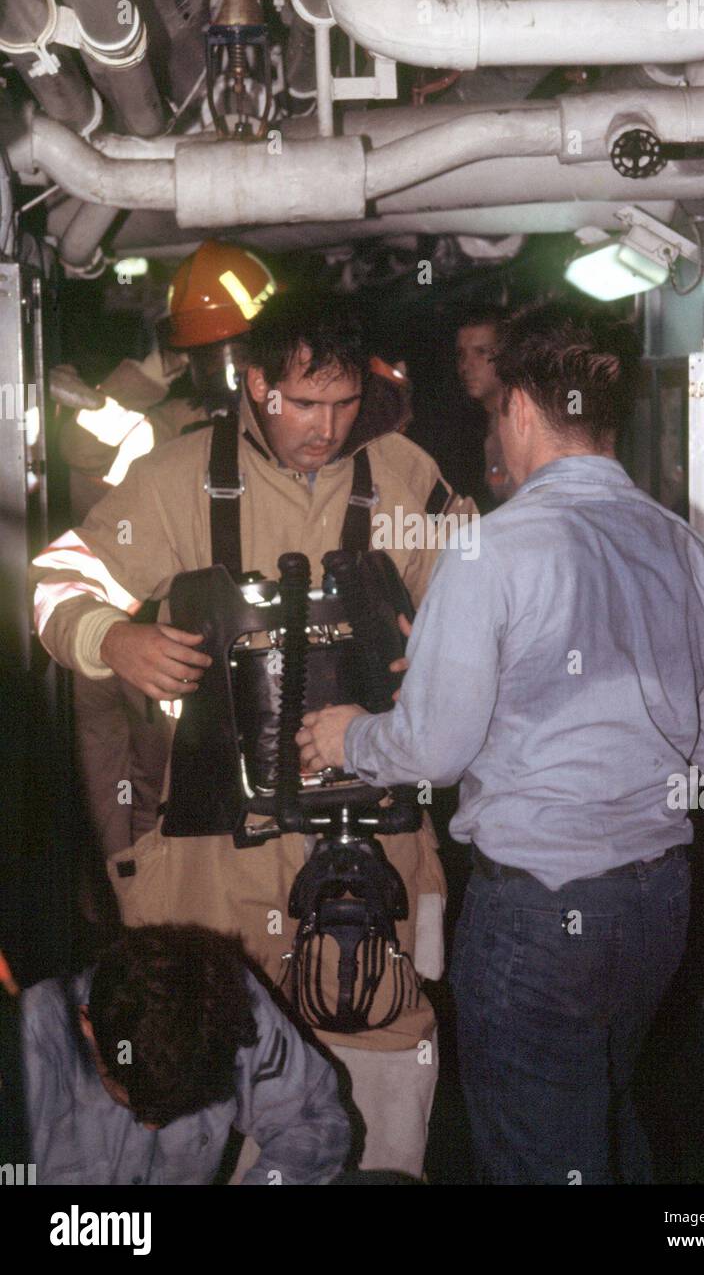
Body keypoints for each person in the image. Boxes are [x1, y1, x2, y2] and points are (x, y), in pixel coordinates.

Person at [297, 301, 704, 1185]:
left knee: (544, 1147)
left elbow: (432, 751)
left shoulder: (489, 554)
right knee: (609, 1109)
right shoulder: (694, 555)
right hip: (659, 905)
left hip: (540, 921)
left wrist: (351, 735)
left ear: (515, 408)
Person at [30, 289, 471, 1178]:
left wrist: (442, 649)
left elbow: (485, 609)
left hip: (373, 856)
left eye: (345, 403)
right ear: (254, 382)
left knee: (382, 1077)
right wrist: (111, 636)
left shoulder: (407, 474)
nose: (325, 426)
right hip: (212, 864)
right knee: (199, 1071)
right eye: (303, 403)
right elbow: (50, 583)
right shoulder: (174, 477)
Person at [51, 240, 277, 862]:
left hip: (236, 659)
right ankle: (133, 910)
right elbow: (84, 449)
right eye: (211, 354)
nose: (228, 371)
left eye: (239, 351)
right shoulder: (175, 425)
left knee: (183, 802)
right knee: (134, 795)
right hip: (154, 642)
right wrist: (152, 372)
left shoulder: (316, 430)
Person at [19, 924, 350, 1185]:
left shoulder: (226, 1006)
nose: (151, 1126)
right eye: (132, 1101)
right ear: (87, 1025)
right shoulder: (27, 1039)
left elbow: (309, 1122)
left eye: (174, 1107)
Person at [455, 306, 515, 507]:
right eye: (461, 354)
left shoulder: (522, 425)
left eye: (481, 352)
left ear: (507, 356)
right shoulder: (470, 428)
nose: (466, 366)